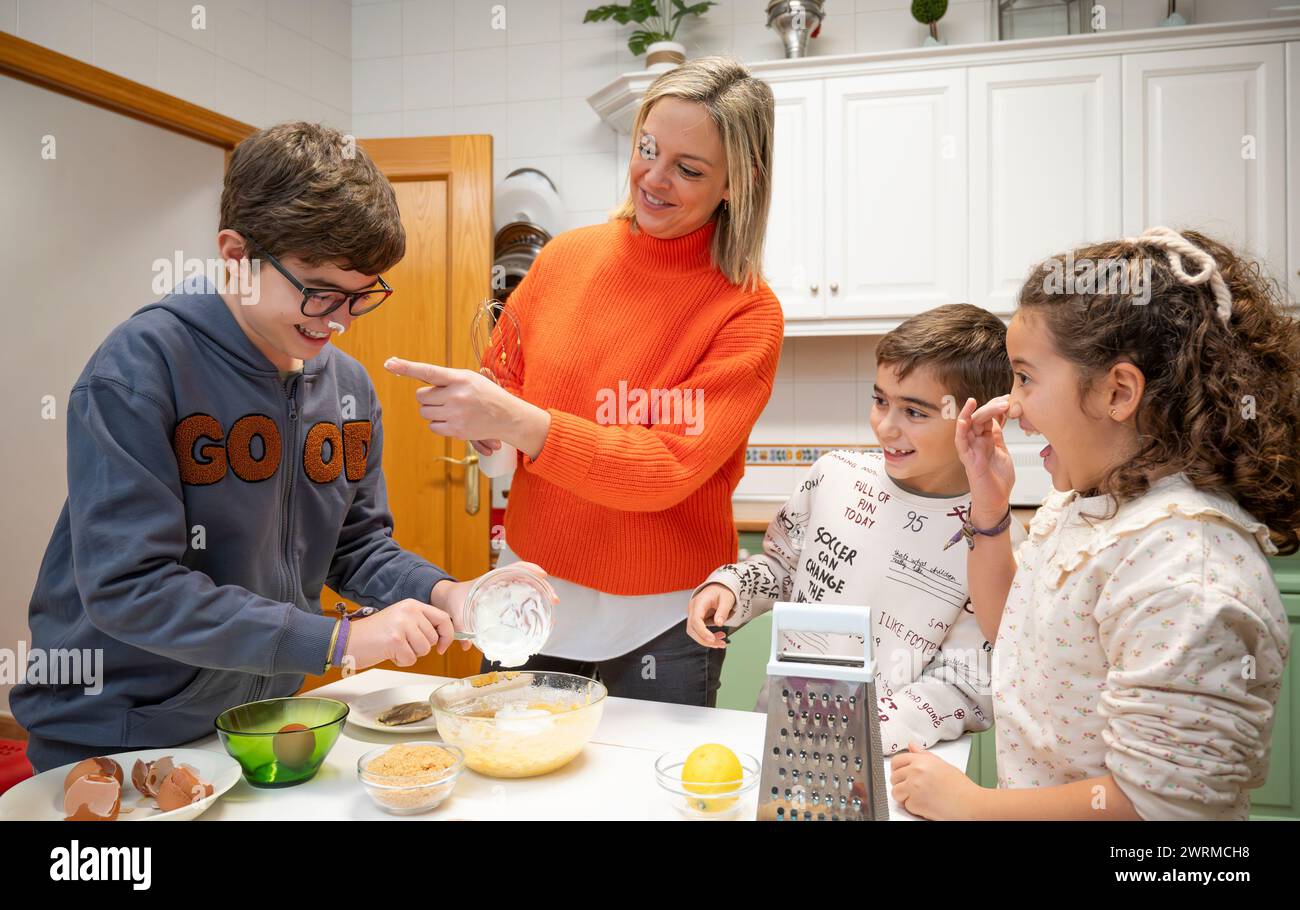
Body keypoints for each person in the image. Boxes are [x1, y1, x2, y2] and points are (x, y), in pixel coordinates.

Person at [12, 122, 540, 772]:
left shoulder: (344, 384)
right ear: (236, 254)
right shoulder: (140, 369)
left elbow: (356, 545)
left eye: (362, 294)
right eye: (319, 292)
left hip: (263, 725)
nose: (341, 319)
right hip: (118, 737)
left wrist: (447, 593)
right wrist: (338, 638)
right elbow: (132, 587)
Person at [384, 57, 782, 707]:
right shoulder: (563, 259)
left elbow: (664, 467)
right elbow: (508, 388)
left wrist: (516, 421)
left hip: (665, 621)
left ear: (740, 181)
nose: (653, 179)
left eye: (688, 168)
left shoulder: (746, 312)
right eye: (647, 149)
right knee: (513, 788)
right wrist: (486, 430)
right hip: (532, 595)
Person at [893, 228, 1298, 820]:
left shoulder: (1186, 569)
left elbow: (1158, 806)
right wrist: (989, 504)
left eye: (1026, 378)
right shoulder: (1088, 505)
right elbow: (1011, 625)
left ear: (1118, 392)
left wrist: (972, 806)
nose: (1011, 406)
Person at [687, 304, 1022, 753]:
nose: (886, 427)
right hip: (782, 729)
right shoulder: (833, 476)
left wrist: (864, 727)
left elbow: (967, 681)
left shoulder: (994, 539)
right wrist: (731, 587)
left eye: (915, 413)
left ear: (980, 422)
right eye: (881, 400)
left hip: (894, 755)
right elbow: (781, 568)